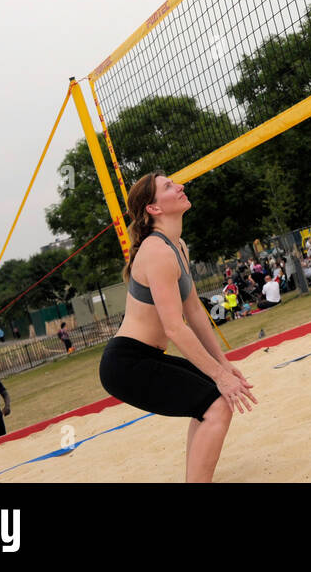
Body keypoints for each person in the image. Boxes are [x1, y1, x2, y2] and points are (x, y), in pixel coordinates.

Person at [98, 172, 257, 482]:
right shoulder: (156, 252)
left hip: (146, 357)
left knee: (214, 401)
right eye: (169, 186)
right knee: (216, 404)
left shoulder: (178, 246)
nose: (181, 186)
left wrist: (223, 364)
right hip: (126, 364)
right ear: (154, 209)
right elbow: (175, 328)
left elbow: (194, 311)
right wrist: (219, 376)